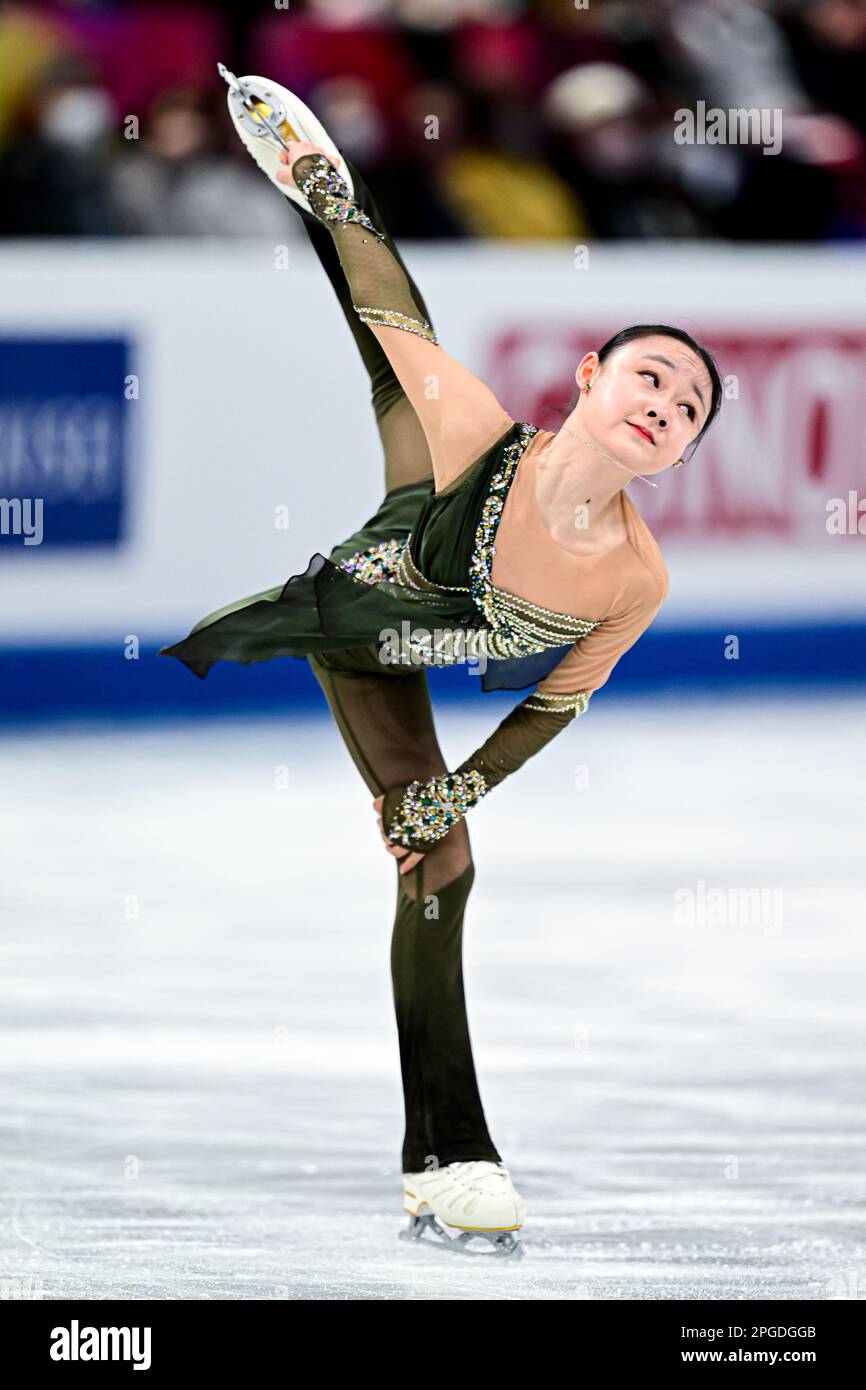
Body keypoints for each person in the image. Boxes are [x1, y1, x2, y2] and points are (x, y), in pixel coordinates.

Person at [159, 78, 723, 1255]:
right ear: (589, 379)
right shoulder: (477, 422)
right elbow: (386, 303)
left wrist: (451, 789)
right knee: (396, 367)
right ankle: (328, 186)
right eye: (650, 376)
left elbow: (550, 707)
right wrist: (334, 201)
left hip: (412, 650)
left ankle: (443, 1157)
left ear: (679, 455)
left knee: (442, 861)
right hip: (354, 610)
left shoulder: (634, 580)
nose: (664, 404)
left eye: (688, 408)